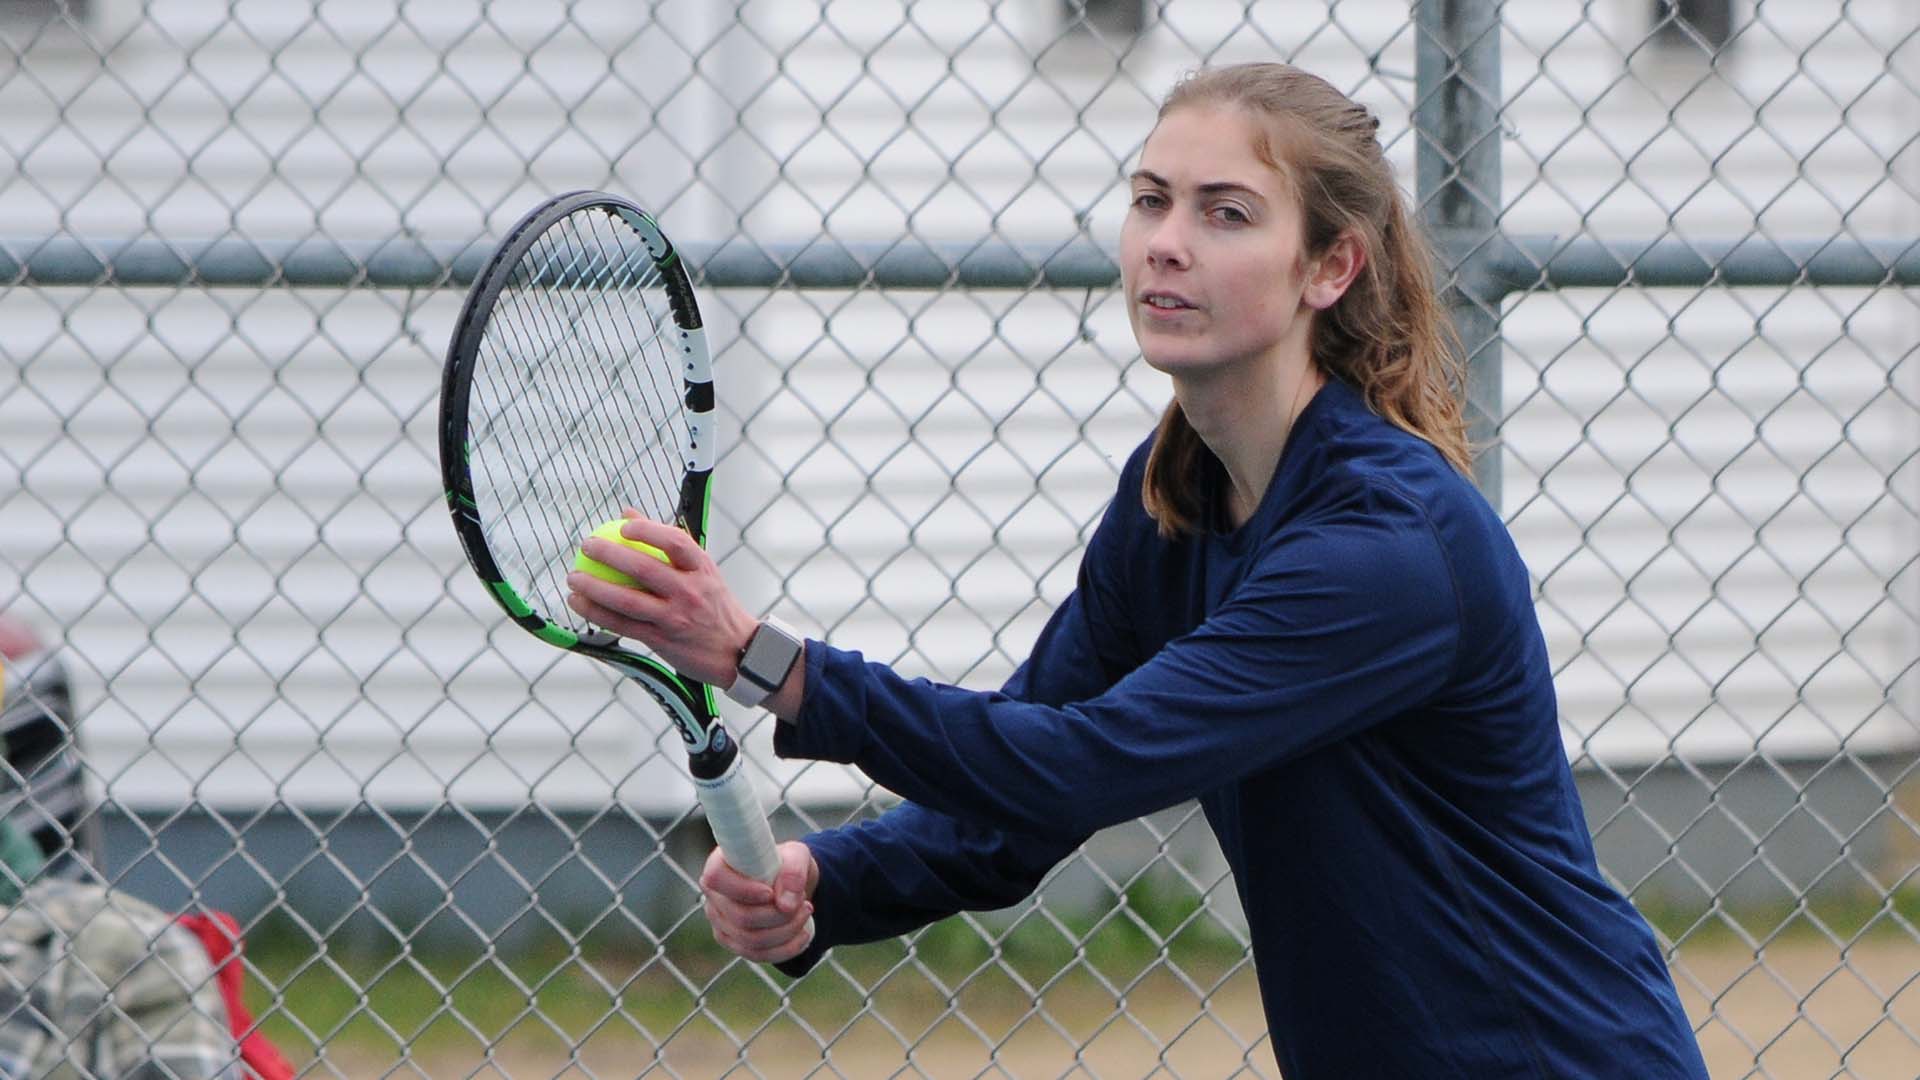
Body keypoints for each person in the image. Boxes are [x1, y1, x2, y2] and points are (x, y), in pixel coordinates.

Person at [567, 62, 1710, 1079]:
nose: (1167, 239)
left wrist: (768, 663)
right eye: (1151, 201)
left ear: (1330, 267)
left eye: (1226, 213)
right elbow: (1012, 802)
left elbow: (1082, 765)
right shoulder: (1175, 503)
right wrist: (829, 883)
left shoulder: (1389, 549)